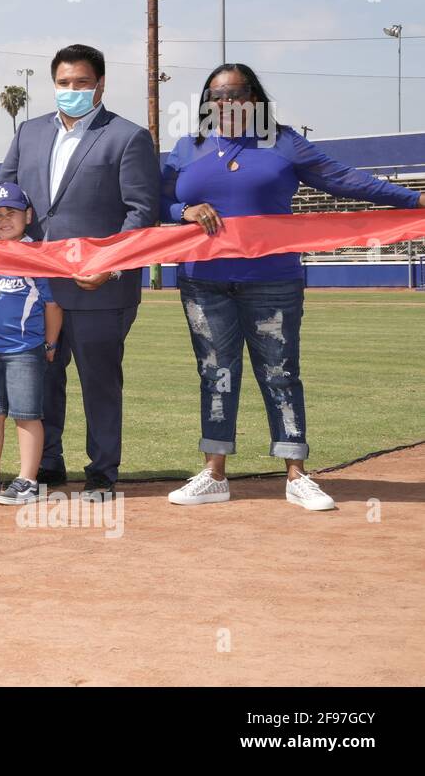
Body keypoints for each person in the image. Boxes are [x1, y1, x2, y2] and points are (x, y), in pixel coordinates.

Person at [162, 62, 425, 511]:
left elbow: (344, 179)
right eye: (215, 95)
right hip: (203, 282)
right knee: (216, 375)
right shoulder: (188, 148)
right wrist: (180, 211)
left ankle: (296, 474)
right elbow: (158, 199)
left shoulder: (283, 143)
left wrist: (414, 198)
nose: (224, 102)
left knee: (280, 374)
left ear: (255, 98)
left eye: (235, 92)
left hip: (272, 282)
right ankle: (214, 473)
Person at [0, 43, 160, 500]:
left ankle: (102, 470)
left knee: (99, 380)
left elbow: (141, 211)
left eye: (82, 83)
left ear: (100, 85)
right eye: (64, 83)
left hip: (101, 287)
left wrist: (107, 264)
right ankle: (47, 463)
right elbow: (4, 201)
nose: (72, 90)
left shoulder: (127, 137)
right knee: (42, 377)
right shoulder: (28, 133)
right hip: (37, 287)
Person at [0, 183, 63, 506]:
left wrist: (49, 345)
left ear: (28, 215)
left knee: (26, 414)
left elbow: (52, 305)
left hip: (23, 350)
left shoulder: (37, 254)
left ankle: (28, 479)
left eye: (12, 213)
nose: (4, 220)